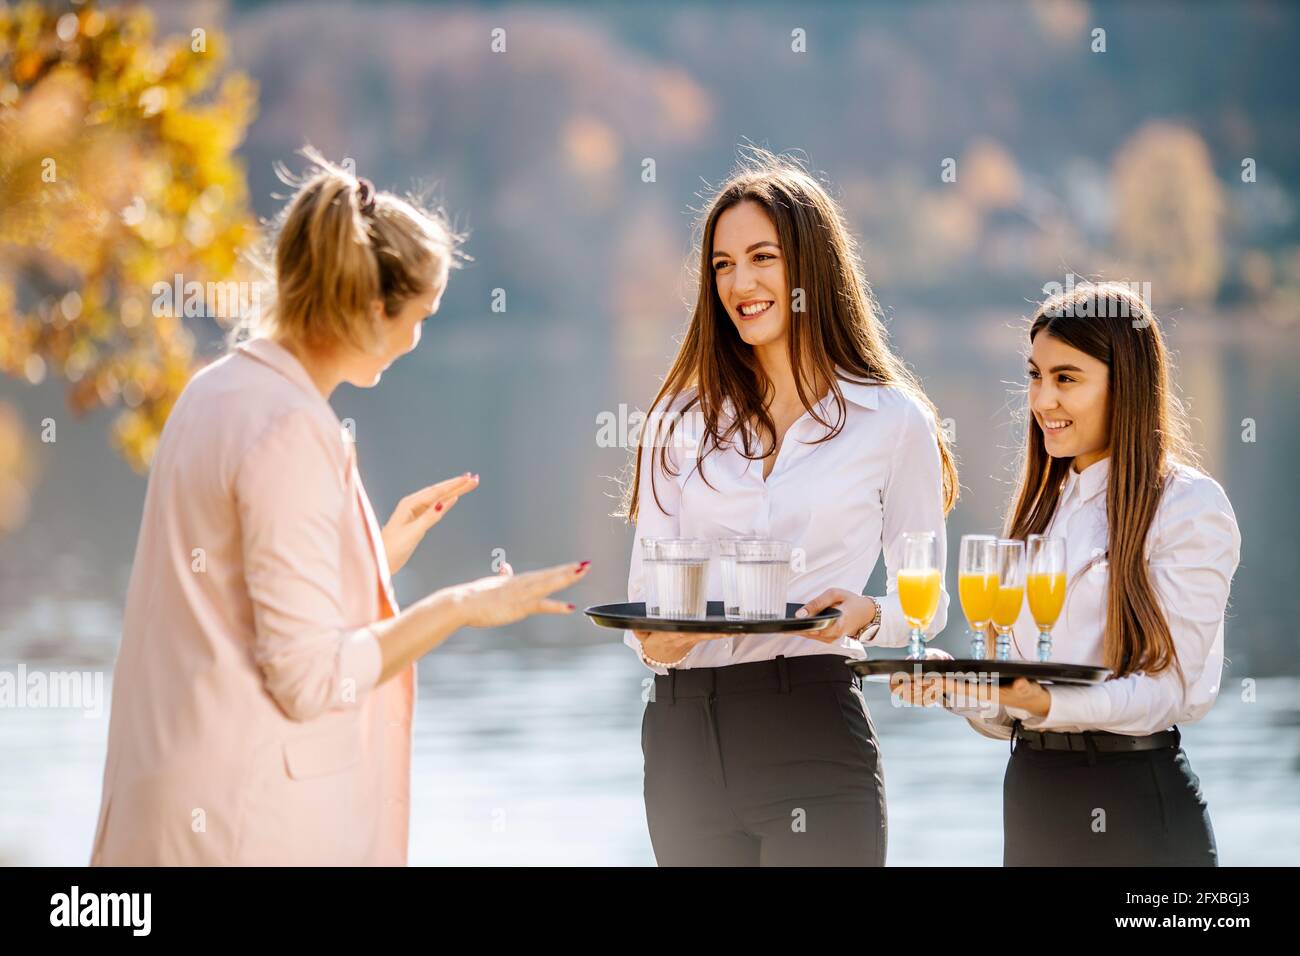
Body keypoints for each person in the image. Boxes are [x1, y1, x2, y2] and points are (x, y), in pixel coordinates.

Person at [90, 149, 588, 865]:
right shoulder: (293, 427)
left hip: (166, 808)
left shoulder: (217, 390)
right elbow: (309, 680)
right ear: (369, 307)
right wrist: (463, 606)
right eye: (419, 316)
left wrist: (372, 558)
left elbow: (240, 604)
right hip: (237, 825)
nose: (416, 340)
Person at [622, 148, 957, 866]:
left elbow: (926, 604)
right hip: (684, 742)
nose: (740, 283)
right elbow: (643, 607)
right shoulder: (676, 421)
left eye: (762, 258)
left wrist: (869, 614)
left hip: (811, 723)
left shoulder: (892, 422)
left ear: (812, 268)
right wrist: (661, 637)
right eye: (721, 265)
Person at [901, 282, 1240, 866]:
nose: (1042, 400)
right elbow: (1014, 706)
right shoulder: (1042, 511)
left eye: (1067, 378)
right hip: (1034, 798)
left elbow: (1166, 694)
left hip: (1135, 803)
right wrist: (960, 687)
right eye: (1035, 375)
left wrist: (1043, 701)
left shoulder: (1188, 507)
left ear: (1126, 384)